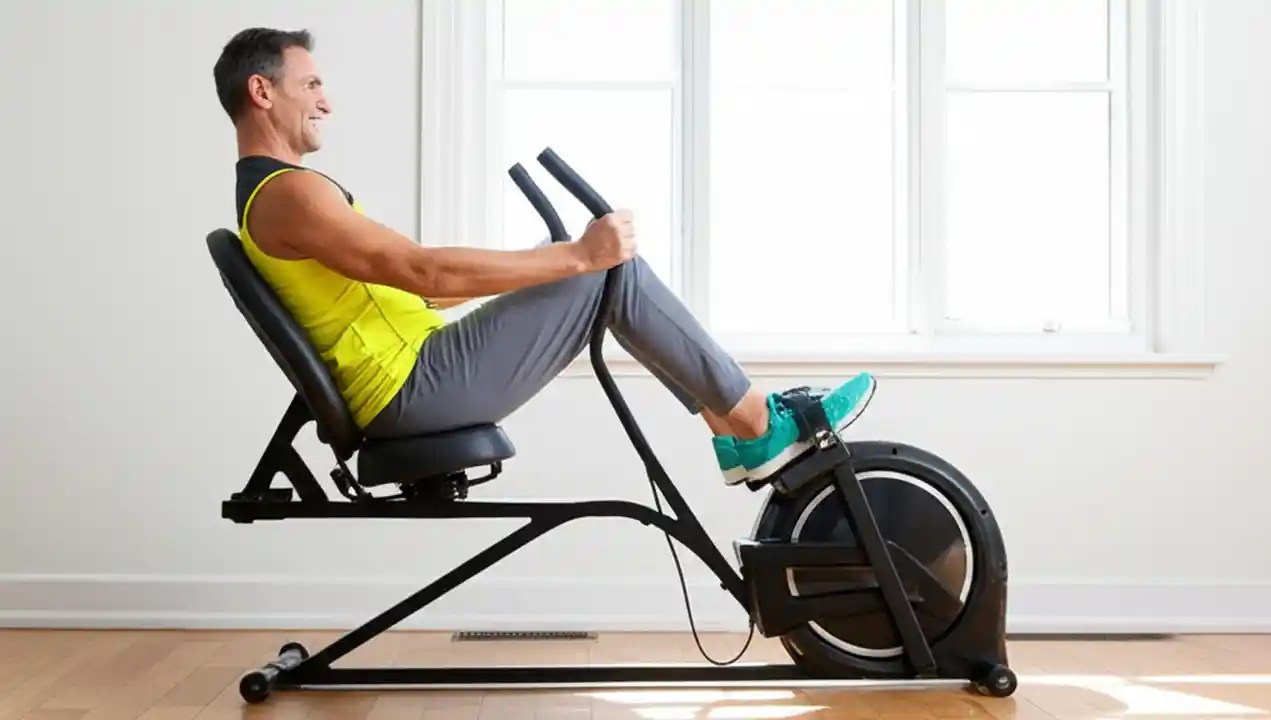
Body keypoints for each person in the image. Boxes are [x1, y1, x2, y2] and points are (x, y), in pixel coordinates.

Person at [211, 27, 877, 486]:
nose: (326, 101)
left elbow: (426, 292)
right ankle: (753, 421)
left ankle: (733, 427)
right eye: (311, 84)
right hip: (411, 391)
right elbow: (422, 270)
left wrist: (548, 264)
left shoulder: (280, 195)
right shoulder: (289, 193)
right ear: (263, 92)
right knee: (612, 268)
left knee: (599, 272)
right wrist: (578, 257)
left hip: (414, 373)